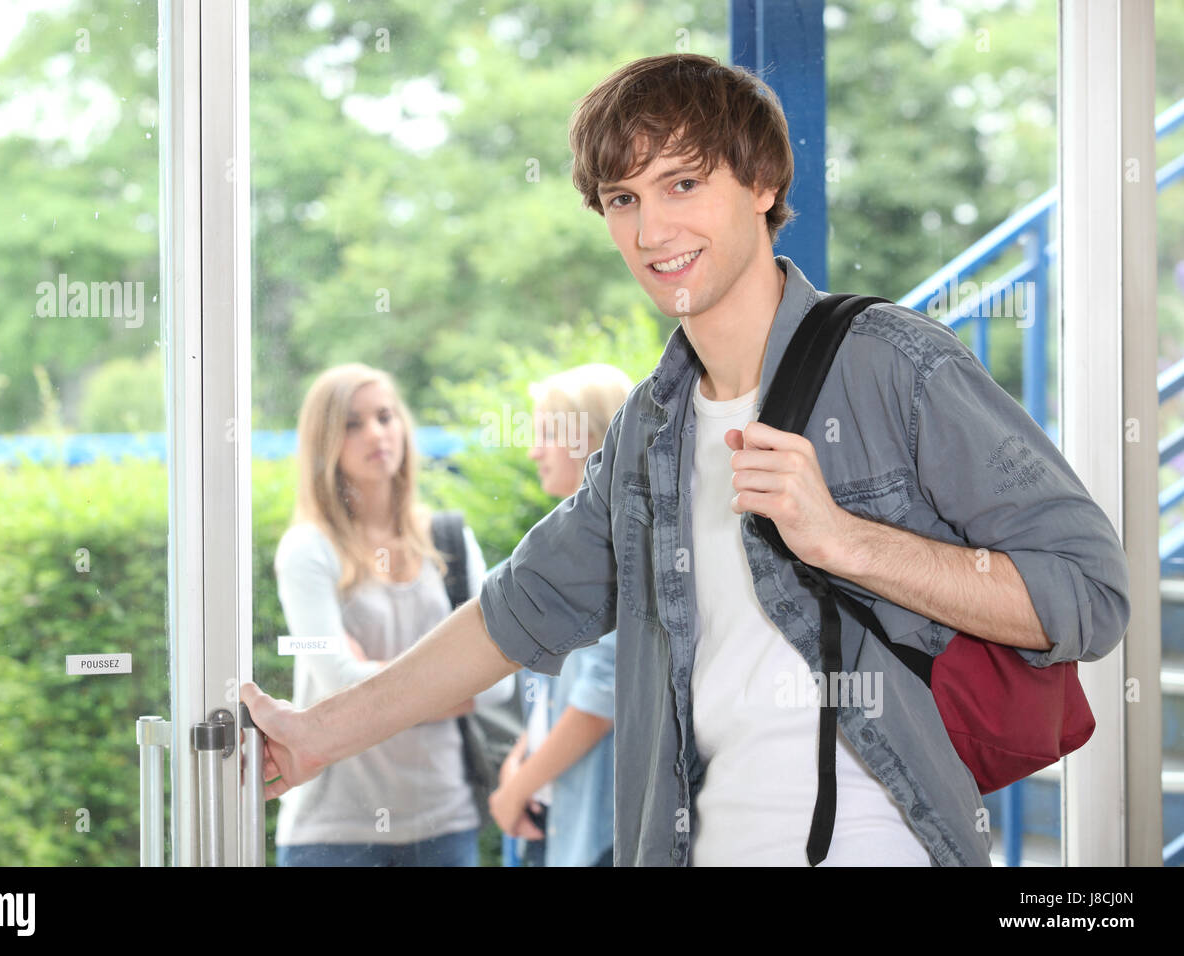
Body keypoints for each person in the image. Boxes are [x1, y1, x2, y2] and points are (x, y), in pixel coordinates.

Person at [243, 54, 1131, 867]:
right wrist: (319, 734)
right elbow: (513, 612)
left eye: (683, 183)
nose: (651, 228)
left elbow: (1088, 597)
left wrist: (847, 541)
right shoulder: (647, 433)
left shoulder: (892, 366)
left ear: (762, 184)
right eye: (623, 199)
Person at [271, 362, 512, 866]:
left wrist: (372, 679)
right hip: (333, 833)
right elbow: (337, 680)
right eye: (353, 423)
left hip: (443, 823)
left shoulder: (449, 540)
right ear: (324, 441)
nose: (376, 433)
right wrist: (451, 679)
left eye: (385, 416)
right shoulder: (308, 549)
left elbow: (500, 682)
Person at [488, 364, 631, 867]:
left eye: (546, 433)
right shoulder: (575, 552)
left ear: (591, 440)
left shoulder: (618, 552)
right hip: (557, 824)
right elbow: (561, 694)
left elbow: (599, 701)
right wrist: (521, 757)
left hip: (594, 835)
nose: (532, 450)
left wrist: (514, 789)